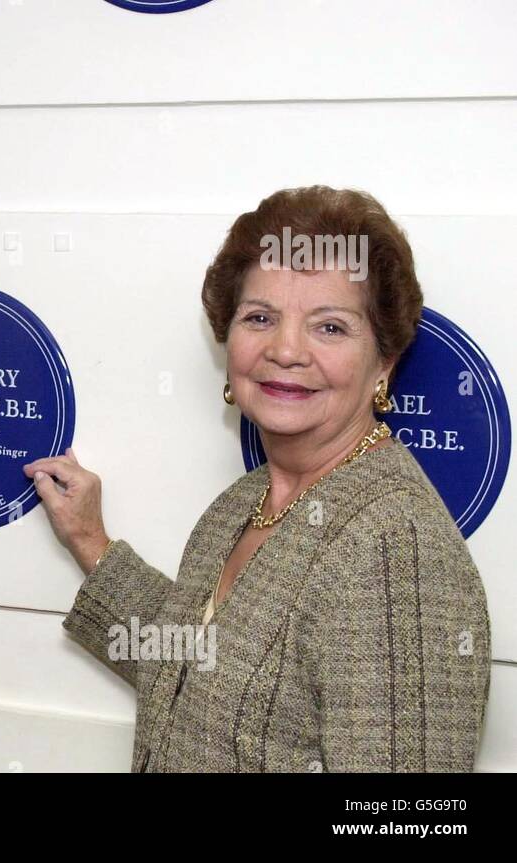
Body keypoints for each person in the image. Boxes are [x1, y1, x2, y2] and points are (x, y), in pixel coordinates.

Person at [25, 186, 490, 772]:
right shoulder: (243, 503)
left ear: (384, 362)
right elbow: (199, 676)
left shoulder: (396, 549)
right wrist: (90, 539)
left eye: (330, 328)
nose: (285, 349)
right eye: (261, 318)